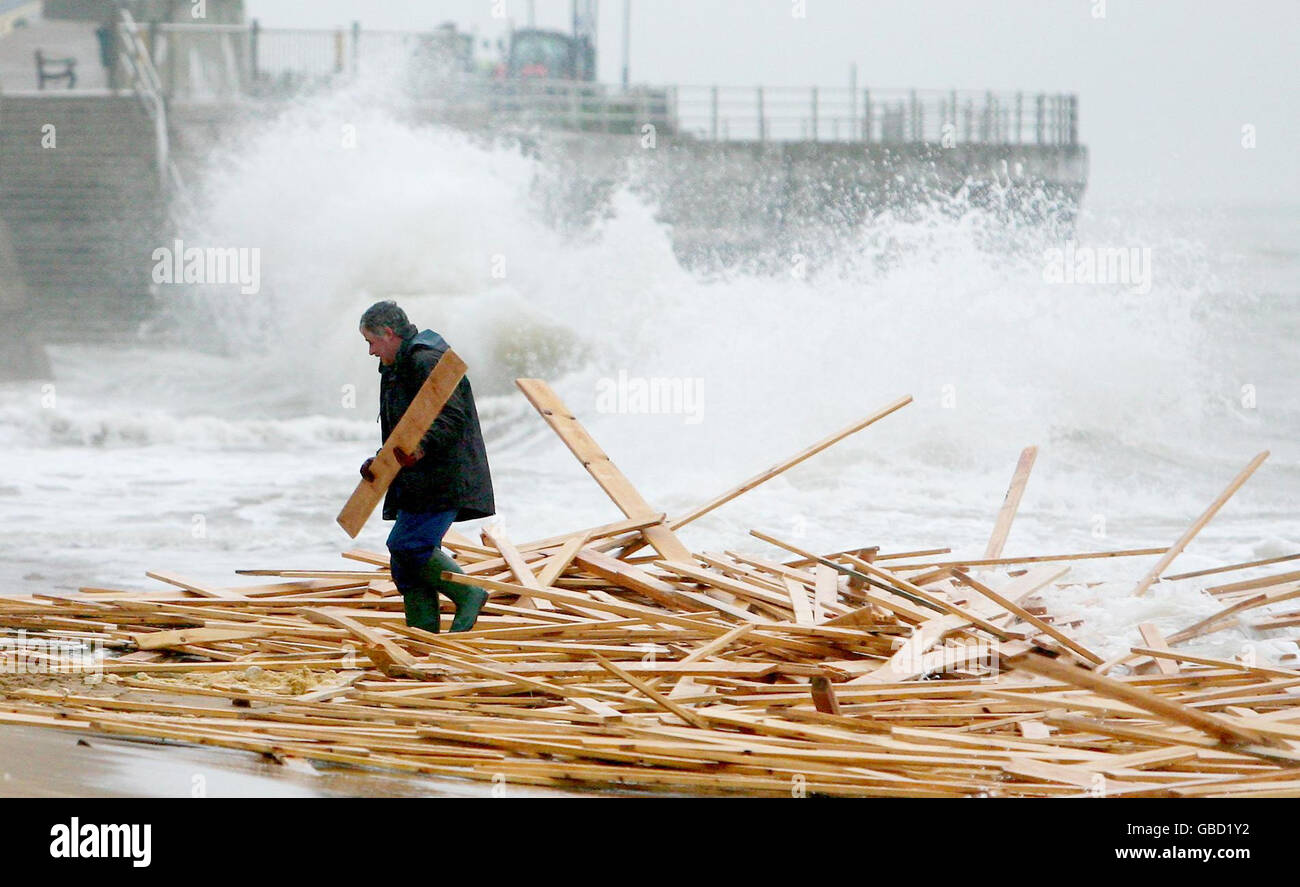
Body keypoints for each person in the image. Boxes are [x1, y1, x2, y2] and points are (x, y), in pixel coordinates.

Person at [358, 301, 494, 633]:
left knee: (409, 546)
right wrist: (382, 459)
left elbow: (451, 416)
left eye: (371, 342)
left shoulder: (425, 360)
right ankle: (423, 640)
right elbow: (404, 427)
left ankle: (470, 594)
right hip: (416, 479)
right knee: (405, 563)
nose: (371, 351)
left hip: (445, 476)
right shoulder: (395, 366)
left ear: (389, 334)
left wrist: (420, 449)